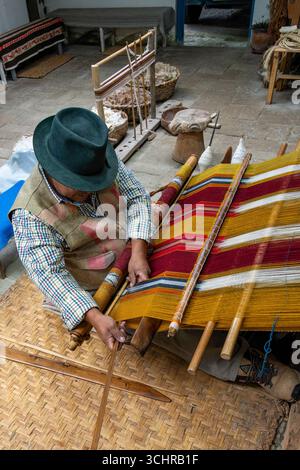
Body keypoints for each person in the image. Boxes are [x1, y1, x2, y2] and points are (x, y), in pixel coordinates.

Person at [11, 107, 300, 402]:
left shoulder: (95, 164)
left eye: (95, 183)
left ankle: (255, 318)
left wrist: (138, 250)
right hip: (101, 283)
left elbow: (137, 196)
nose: (92, 189)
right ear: (55, 170)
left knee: (206, 255)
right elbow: (49, 275)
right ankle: (244, 363)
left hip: (136, 245)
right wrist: (94, 315)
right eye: (82, 187)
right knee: (165, 318)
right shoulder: (29, 215)